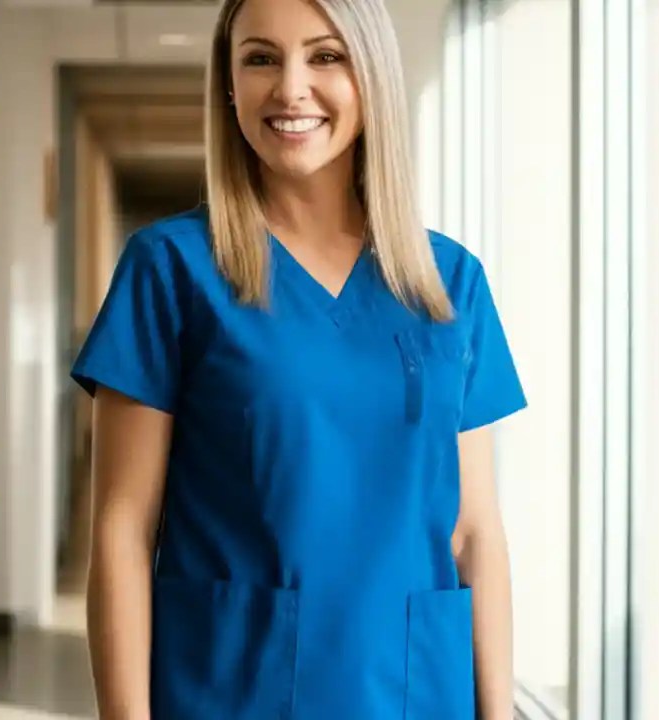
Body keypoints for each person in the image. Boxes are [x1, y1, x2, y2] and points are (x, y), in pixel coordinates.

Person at [70, 0, 527, 716]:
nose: (290, 88)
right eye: (260, 58)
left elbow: (474, 531)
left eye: (326, 55)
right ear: (228, 84)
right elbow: (124, 527)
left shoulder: (449, 283)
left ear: (370, 76)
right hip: (230, 693)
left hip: (411, 692)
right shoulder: (170, 269)